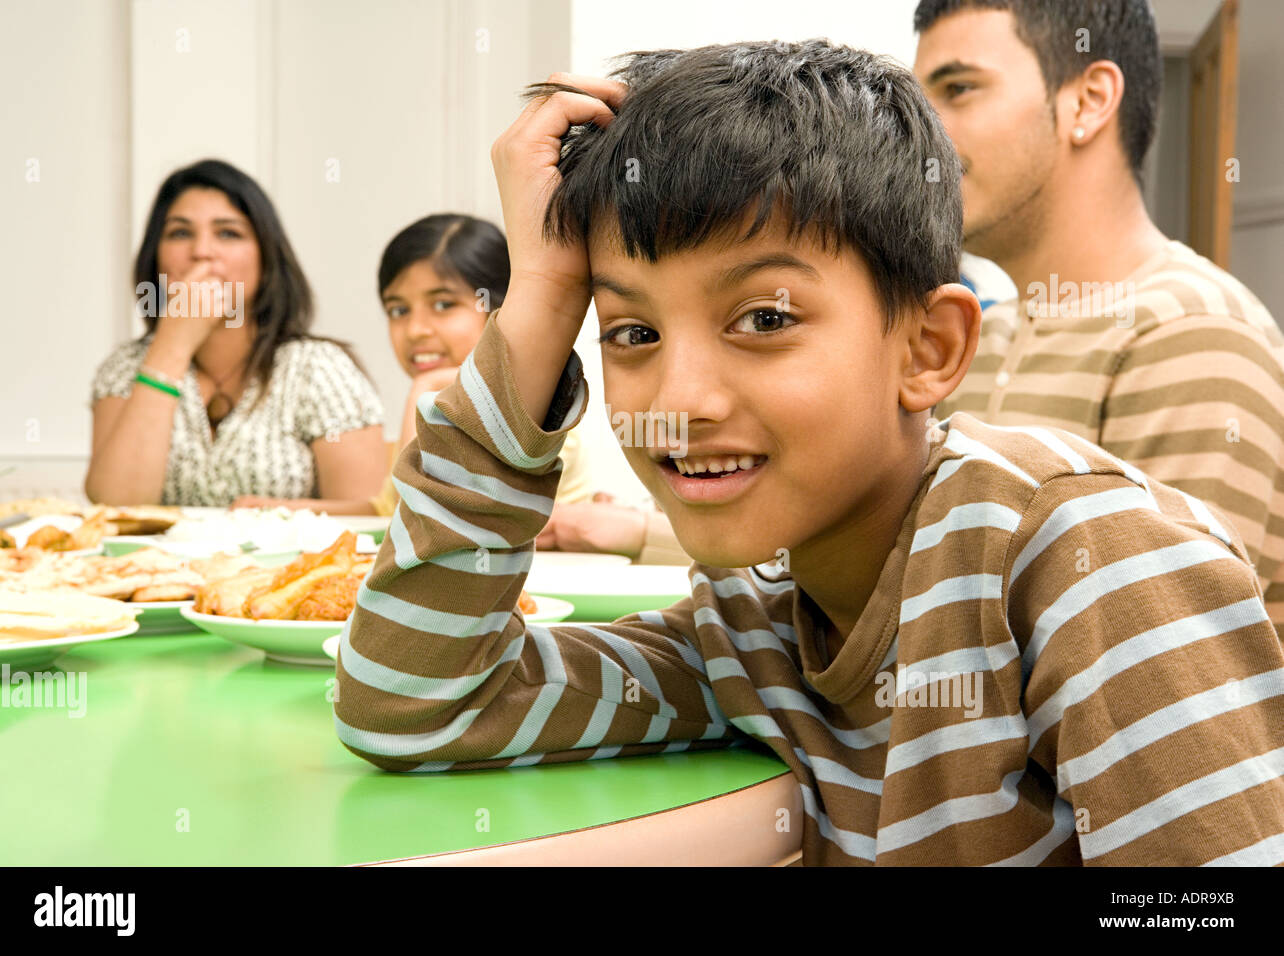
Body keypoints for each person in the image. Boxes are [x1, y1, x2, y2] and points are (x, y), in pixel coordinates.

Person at [334, 43, 1284, 866]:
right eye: (629, 332)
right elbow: (415, 701)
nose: (680, 402)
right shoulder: (747, 629)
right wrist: (539, 295)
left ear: (929, 350)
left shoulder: (1088, 568)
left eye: (765, 318)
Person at [912, 0, 1284, 632]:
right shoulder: (986, 334)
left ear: (1087, 102)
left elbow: (1144, 668)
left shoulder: (1195, 338)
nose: (923, 136)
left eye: (958, 89)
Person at [234, 214, 595, 515]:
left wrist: (423, 391)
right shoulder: (450, 406)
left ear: (499, 307)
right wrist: (278, 509)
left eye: (443, 305)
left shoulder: (527, 414)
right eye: (398, 310)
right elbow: (385, 509)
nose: (416, 330)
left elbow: (416, 517)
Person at [86, 159, 386, 507]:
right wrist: (172, 344)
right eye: (180, 233)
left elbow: (370, 523)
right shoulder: (125, 368)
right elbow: (116, 509)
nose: (201, 252)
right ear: (156, 257)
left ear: (266, 258)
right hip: (152, 564)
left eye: (228, 233)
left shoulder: (318, 369)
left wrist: (273, 514)